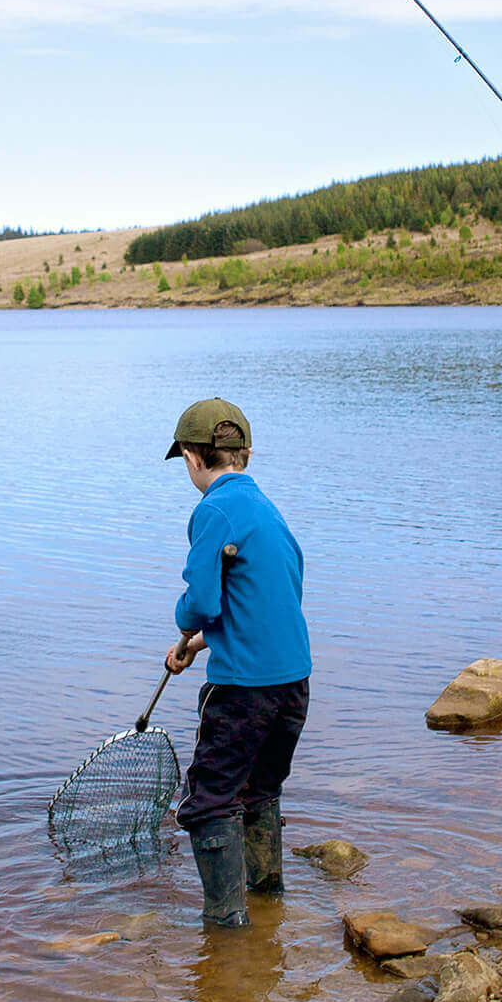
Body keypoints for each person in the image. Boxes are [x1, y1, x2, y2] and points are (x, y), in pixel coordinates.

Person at [161, 397, 311, 928]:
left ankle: (226, 931)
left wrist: (186, 625)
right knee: (260, 791)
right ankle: (269, 902)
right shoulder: (268, 508)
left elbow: (200, 601)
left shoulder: (213, 509)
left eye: (183, 459)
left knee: (207, 804)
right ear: (244, 452)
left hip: (244, 689)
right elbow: (267, 598)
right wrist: (198, 646)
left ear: (192, 457)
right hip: (293, 683)